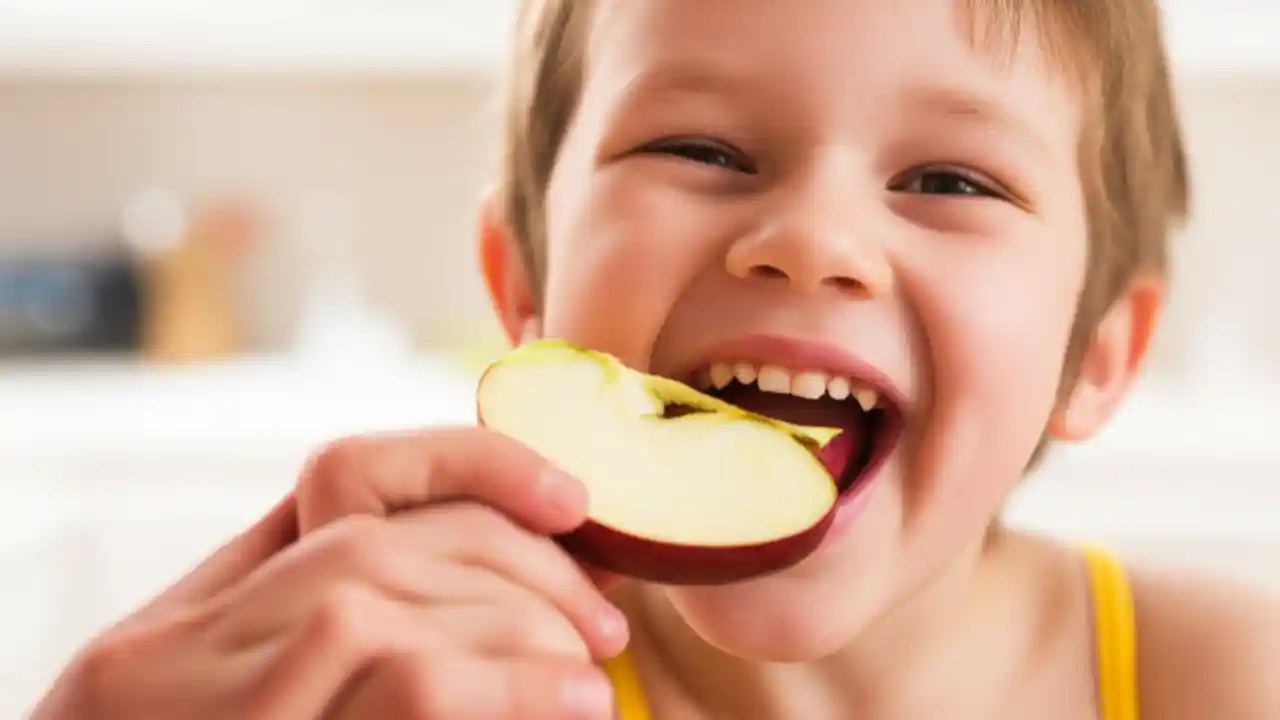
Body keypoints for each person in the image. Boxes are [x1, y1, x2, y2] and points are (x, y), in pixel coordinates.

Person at [33, 1, 1280, 718]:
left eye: (949, 179)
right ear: (519, 282)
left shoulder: (1222, 680)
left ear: (1095, 356)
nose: (809, 242)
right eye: (701, 148)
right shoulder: (432, 685)